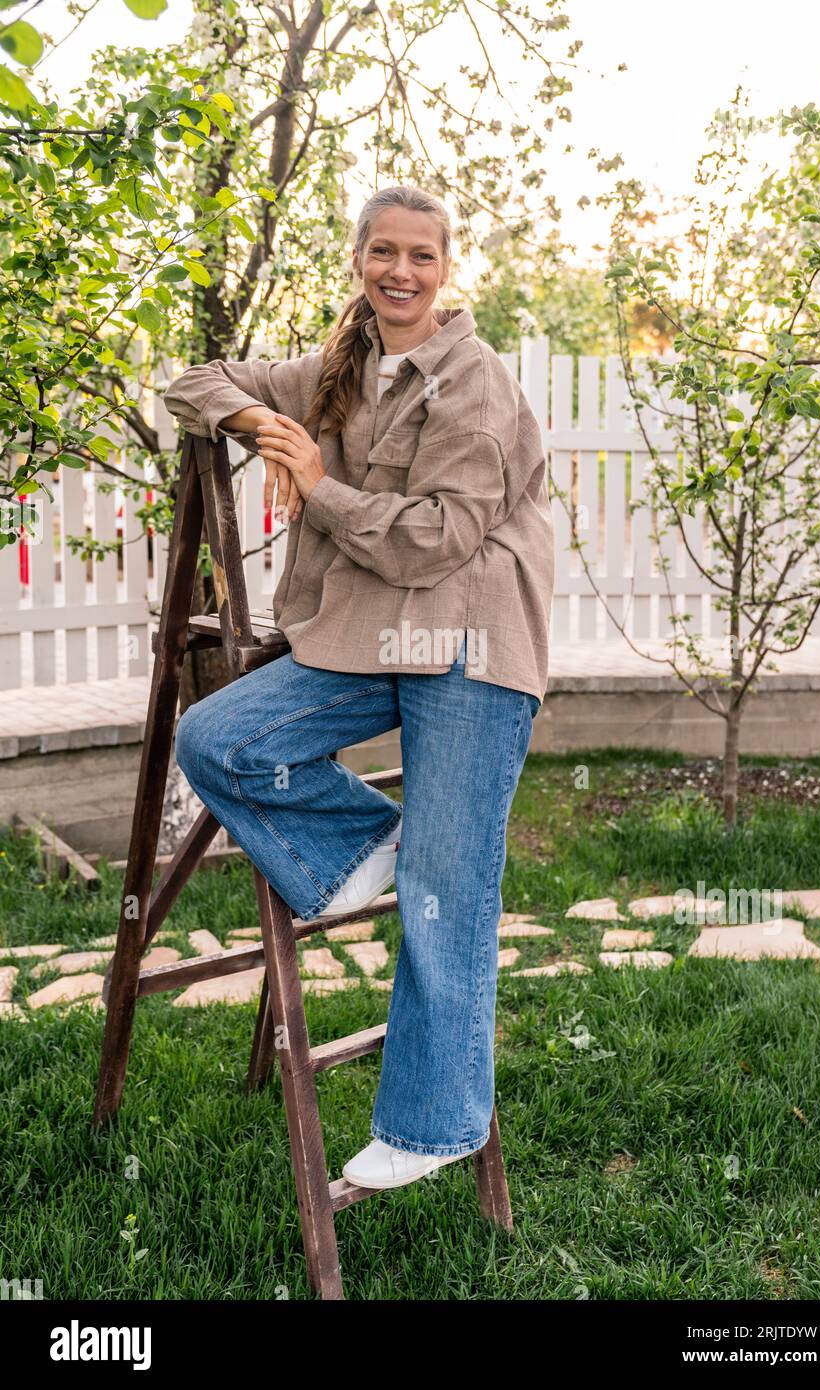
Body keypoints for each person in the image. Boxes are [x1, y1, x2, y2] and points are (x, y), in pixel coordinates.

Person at [163, 183, 555, 1191]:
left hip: (468, 639)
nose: (400, 272)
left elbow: (436, 540)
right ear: (358, 259)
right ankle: (360, 845)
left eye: (421, 256)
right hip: (373, 636)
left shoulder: (474, 382)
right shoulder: (340, 369)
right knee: (219, 738)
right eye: (383, 252)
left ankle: (433, 1124)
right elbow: (192, 377)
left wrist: (320, 482)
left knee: (445, 888)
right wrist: (267, 423)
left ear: (446, 267)